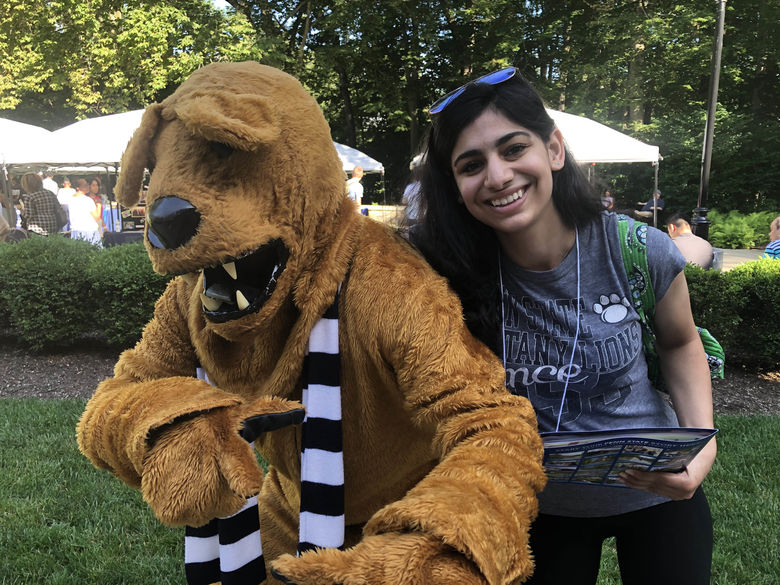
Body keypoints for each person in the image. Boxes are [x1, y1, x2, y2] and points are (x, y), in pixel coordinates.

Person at [411, 67, 715, 585]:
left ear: (553, 150)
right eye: (471, 164)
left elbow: (680, 342)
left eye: (513, 149)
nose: (498, 176)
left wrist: (702, 444)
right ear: (455, 186)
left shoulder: (638, 250)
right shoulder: (443, 275)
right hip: (532, 507)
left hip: (657, 490)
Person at [69, 178, 102, 245]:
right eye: (85, 185)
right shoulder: (88, 200)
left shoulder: (71, 199)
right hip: (89, 231)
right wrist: (99, 205)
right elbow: (97, 217)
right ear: (78, 188)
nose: (87, 187)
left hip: (76, 230)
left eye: (87, 184)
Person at [402, 154, 424, 226]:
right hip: (423, 219)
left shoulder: (409, 187)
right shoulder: (427, 186)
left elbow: (404, 201)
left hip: (411, 218)